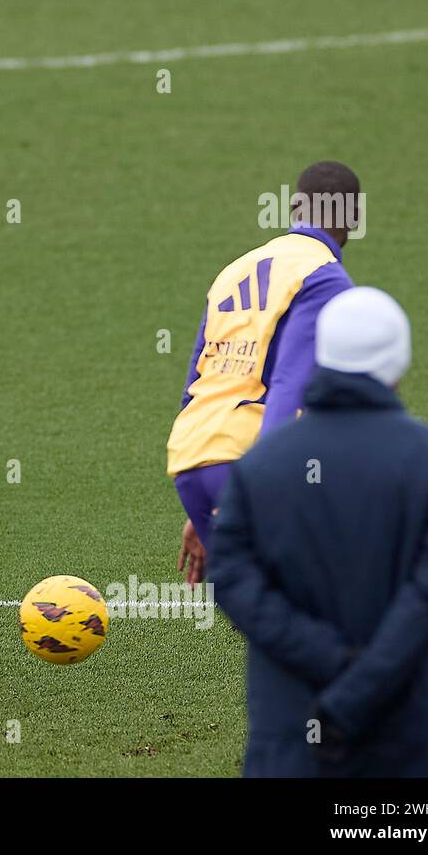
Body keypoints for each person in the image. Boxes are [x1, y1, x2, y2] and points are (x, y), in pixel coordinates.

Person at [212, 287, 428, 777]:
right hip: (411, 728)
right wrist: (363, 681)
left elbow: (232, 579)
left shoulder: (259, 465)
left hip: (293, 727)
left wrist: (328, 659)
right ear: (400, 360)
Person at [166, 161, 359, 584]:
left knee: (274, 619)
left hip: (191, 457)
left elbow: (195, 384)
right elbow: (291, 383)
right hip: (249, 464)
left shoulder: (233, 271)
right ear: (356, 218)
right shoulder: (327, 280)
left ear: (294, 207)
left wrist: (204, 492)